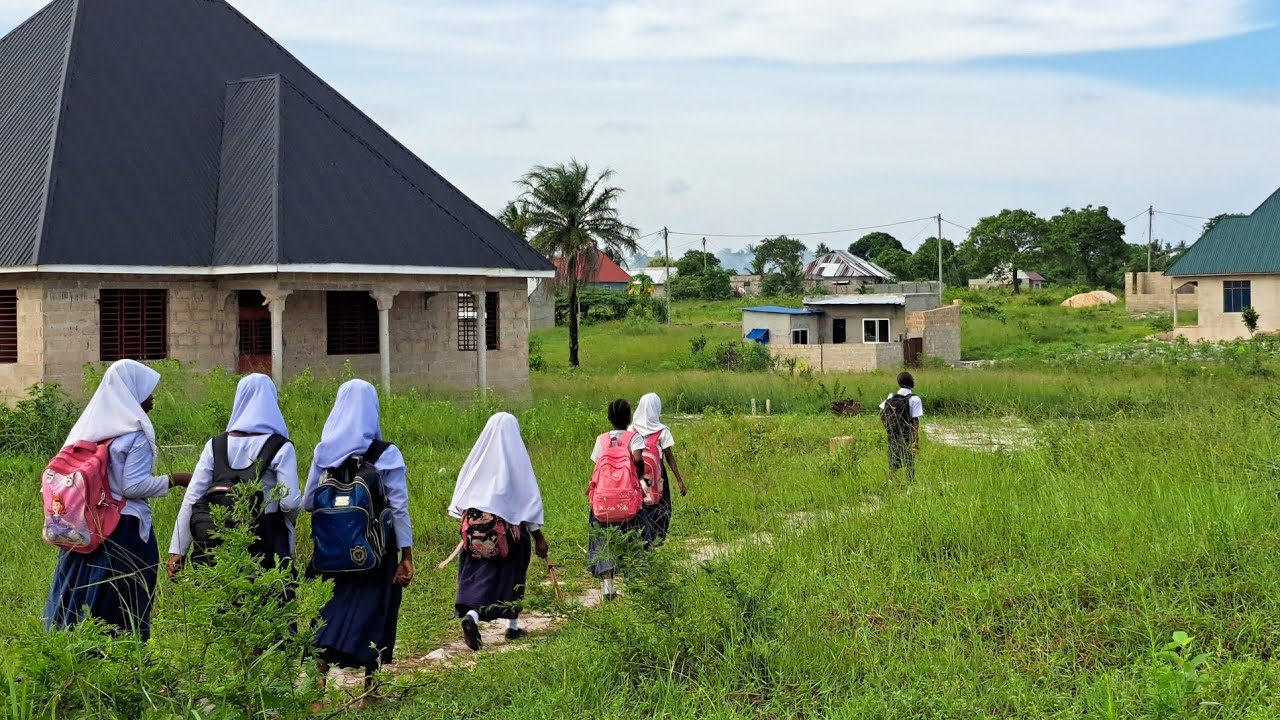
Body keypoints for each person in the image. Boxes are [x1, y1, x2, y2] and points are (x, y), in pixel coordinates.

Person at [44, 359, 192, 640]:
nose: (152, 397)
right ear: (131, 393)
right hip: (123, 530)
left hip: (85, 526)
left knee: (80, 591)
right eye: (147, 391)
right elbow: (133, 486)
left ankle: (71, 650)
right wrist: (175, 480)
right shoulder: (134, 433)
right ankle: (123, 656)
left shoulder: (91, 429)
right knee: (124, 596)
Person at [304, 380, 414, 687]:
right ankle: (370, 689)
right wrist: (406, 555)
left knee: (330, 612)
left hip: (333, 552)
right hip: (377, 553)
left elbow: (308, 502)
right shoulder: (386, 453)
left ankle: (316, 685)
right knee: (377, 613)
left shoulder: (324, 451)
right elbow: (399, 507)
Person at [166, 373, 299, 578]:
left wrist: (178, 551)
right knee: (271, 599)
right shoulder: (281, 447)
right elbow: (289, 503)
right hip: (266, 539)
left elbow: (192, 497)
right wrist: (287, 526)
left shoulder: (215, 445)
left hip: (218, 536)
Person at [449, 413, 549, 651]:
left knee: (477, 575)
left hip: (475, 537)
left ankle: (472, 615)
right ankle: (512, 626)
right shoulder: (517, 462)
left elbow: (459, 504)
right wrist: (539, 539)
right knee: (511, 578)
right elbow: (529, 502)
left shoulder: (477, 459)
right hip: (511, 537)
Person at [587, 399, 645, 600]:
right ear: (629, 418)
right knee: (637, 536)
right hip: (628, 501)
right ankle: (635, 583)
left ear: (609, 418)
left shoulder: (601, 439)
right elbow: (638, 459)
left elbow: (597, 464)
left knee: (602, 541)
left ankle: (608, 588)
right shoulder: (634, 438)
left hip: (603, 502)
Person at [630, 393, 689, 546]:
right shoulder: (662, 431)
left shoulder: (632, 429)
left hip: (636, 474)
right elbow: (669, 457)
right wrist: (679, 480)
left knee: (640, 505)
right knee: (662, 507)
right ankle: (656, 539)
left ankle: (640, 538)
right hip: (658, 477)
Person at [879, 371, 924, 482]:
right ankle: (910, 483)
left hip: (893, 434)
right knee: (909, 461)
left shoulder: (891, 396)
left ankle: (891, 481)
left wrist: (888, 428)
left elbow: (882, 413)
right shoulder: (915, 399)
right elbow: (915, 421)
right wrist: (915, 440)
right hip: (906, 434)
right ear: (911, 382)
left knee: (893, 458)